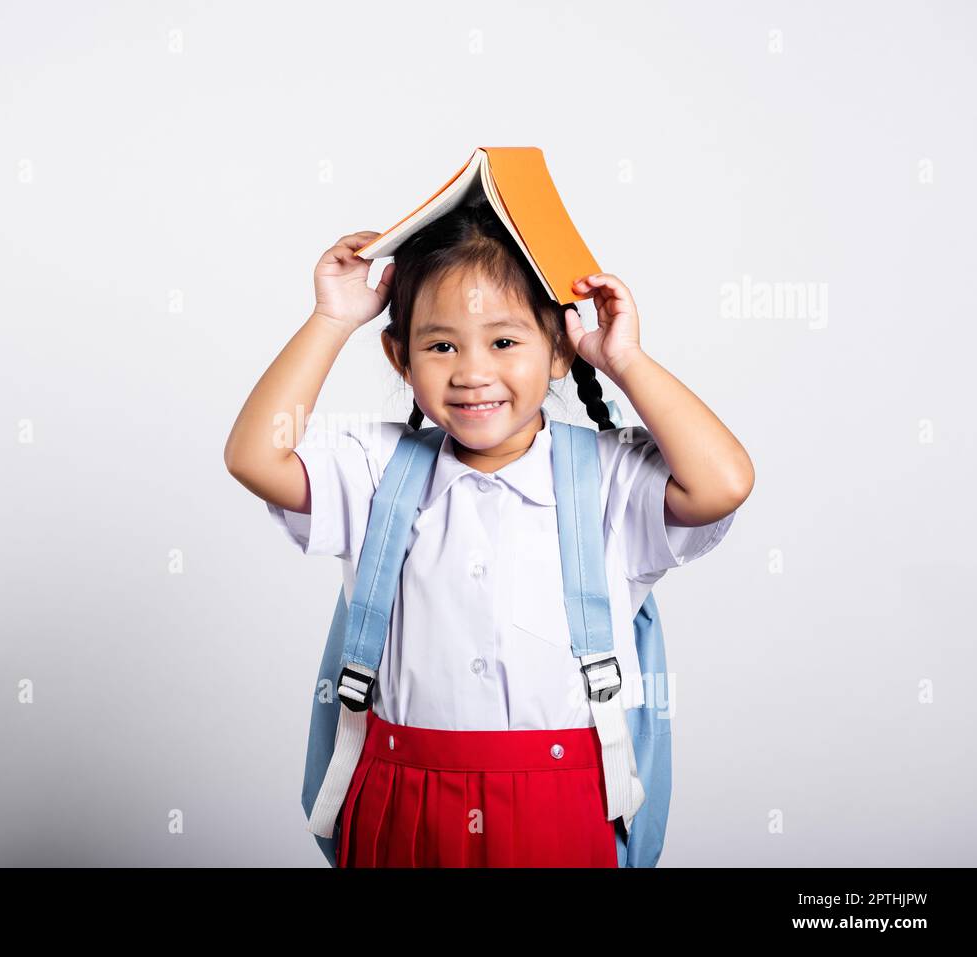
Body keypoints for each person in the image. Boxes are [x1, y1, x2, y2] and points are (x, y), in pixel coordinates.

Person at [224, 192, 754, 867]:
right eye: (441, 344)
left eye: (505, 341)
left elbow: (724, 481)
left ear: (560, 348)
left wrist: (627, 361)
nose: (473, 371)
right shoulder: (374, 468)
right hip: (402, 808)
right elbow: (254, 455)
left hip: (562, 814)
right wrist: (332, 319)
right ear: (400, 359)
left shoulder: (609, 477)